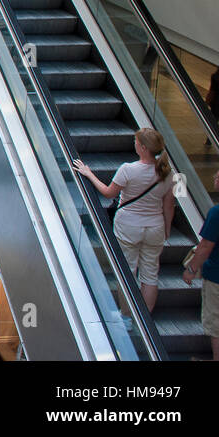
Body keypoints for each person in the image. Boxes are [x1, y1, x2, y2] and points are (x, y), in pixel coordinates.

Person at [72, 127, 175, 312]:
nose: (134, 144)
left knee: (127, 271)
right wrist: (167, 229)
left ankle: (128, 317)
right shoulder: (168, 174)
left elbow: (108, 192)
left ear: (143, 147)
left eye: (136, 141)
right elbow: (169, 206)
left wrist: (89, 173)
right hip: (155, 227)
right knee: (150, 275)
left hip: (128, 225)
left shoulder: (128, 170)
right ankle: (146, 317)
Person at [182, 165, 219, 361]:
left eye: (217, 178)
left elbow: (205, 247)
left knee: (218, 324)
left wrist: (191, 269)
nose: (214, 180)